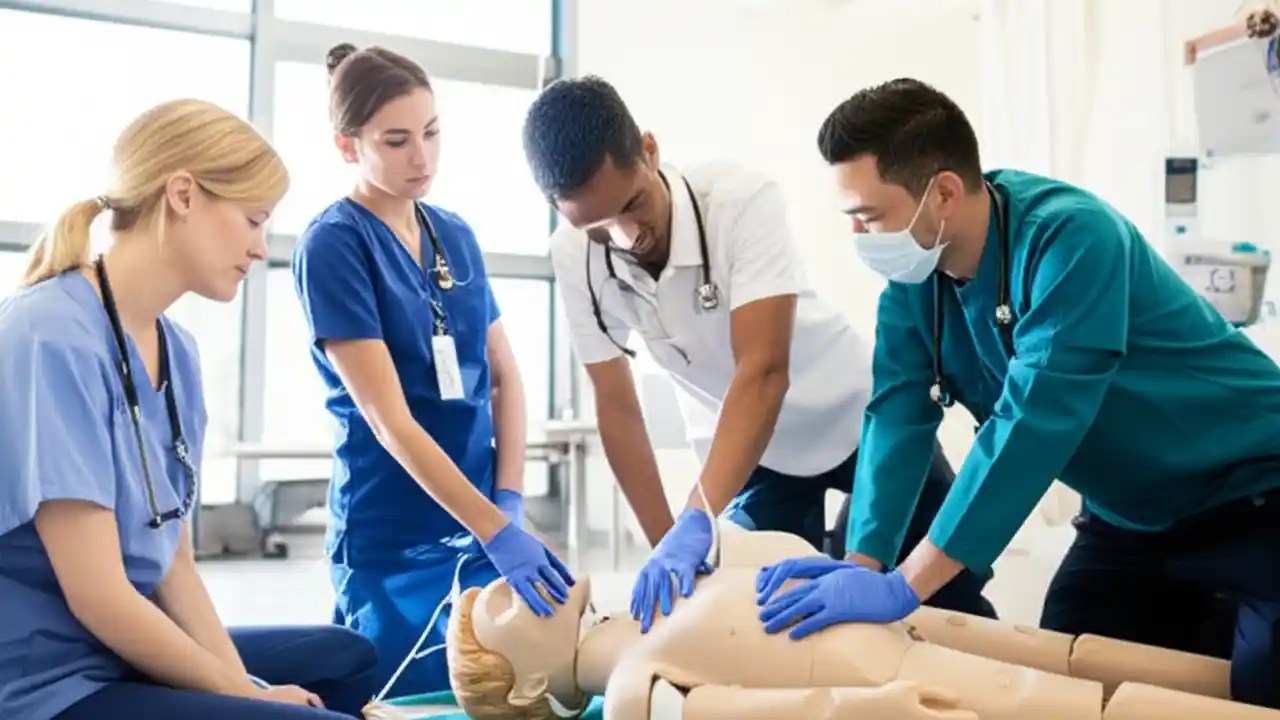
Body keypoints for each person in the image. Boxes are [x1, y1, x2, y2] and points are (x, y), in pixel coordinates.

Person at [755, 78, 1280, 709]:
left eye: (872, 216)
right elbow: (897, 412)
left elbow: (1032, 422)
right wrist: (864, 563)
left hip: (1253, 494)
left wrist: (907, 586)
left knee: (1261, 680)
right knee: (1060, 686)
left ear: (943, 192)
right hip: (1130, 518)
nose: (863, 236)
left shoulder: (1072, 238)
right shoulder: (916, 280)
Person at [520, 75, 995, 634]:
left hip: (851, 416)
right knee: (761, 617)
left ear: (650, 151)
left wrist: (697, 513)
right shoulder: (573, 254)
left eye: (632, 205)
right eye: (597, 227)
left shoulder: (737, 200)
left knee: (944, 593)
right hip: (753, 455)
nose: (626, 236)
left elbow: (764, 369)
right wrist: (666, 544)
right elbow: (617, 407)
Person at [0, 98, 379, 720]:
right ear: (183, 194)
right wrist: (246, 694)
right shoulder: (50, 335)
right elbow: (98, 598)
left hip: (119, 653)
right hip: (50, 681)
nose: (261, 249)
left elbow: (172, 564)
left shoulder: (177, 351)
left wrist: (245, 688)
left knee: (344, 658)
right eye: (254, 220)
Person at [290, 43, 574, 698]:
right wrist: (494, 526)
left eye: (431, 132)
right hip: (392, 538)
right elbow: (390, 423)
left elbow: (504, 377)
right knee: (402, 699)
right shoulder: (335, 244)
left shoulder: (456, 234)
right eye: (395, 141)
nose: (421, 157)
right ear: (345, 145)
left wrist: (508, 502)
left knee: (504, 691)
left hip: (480, 519)